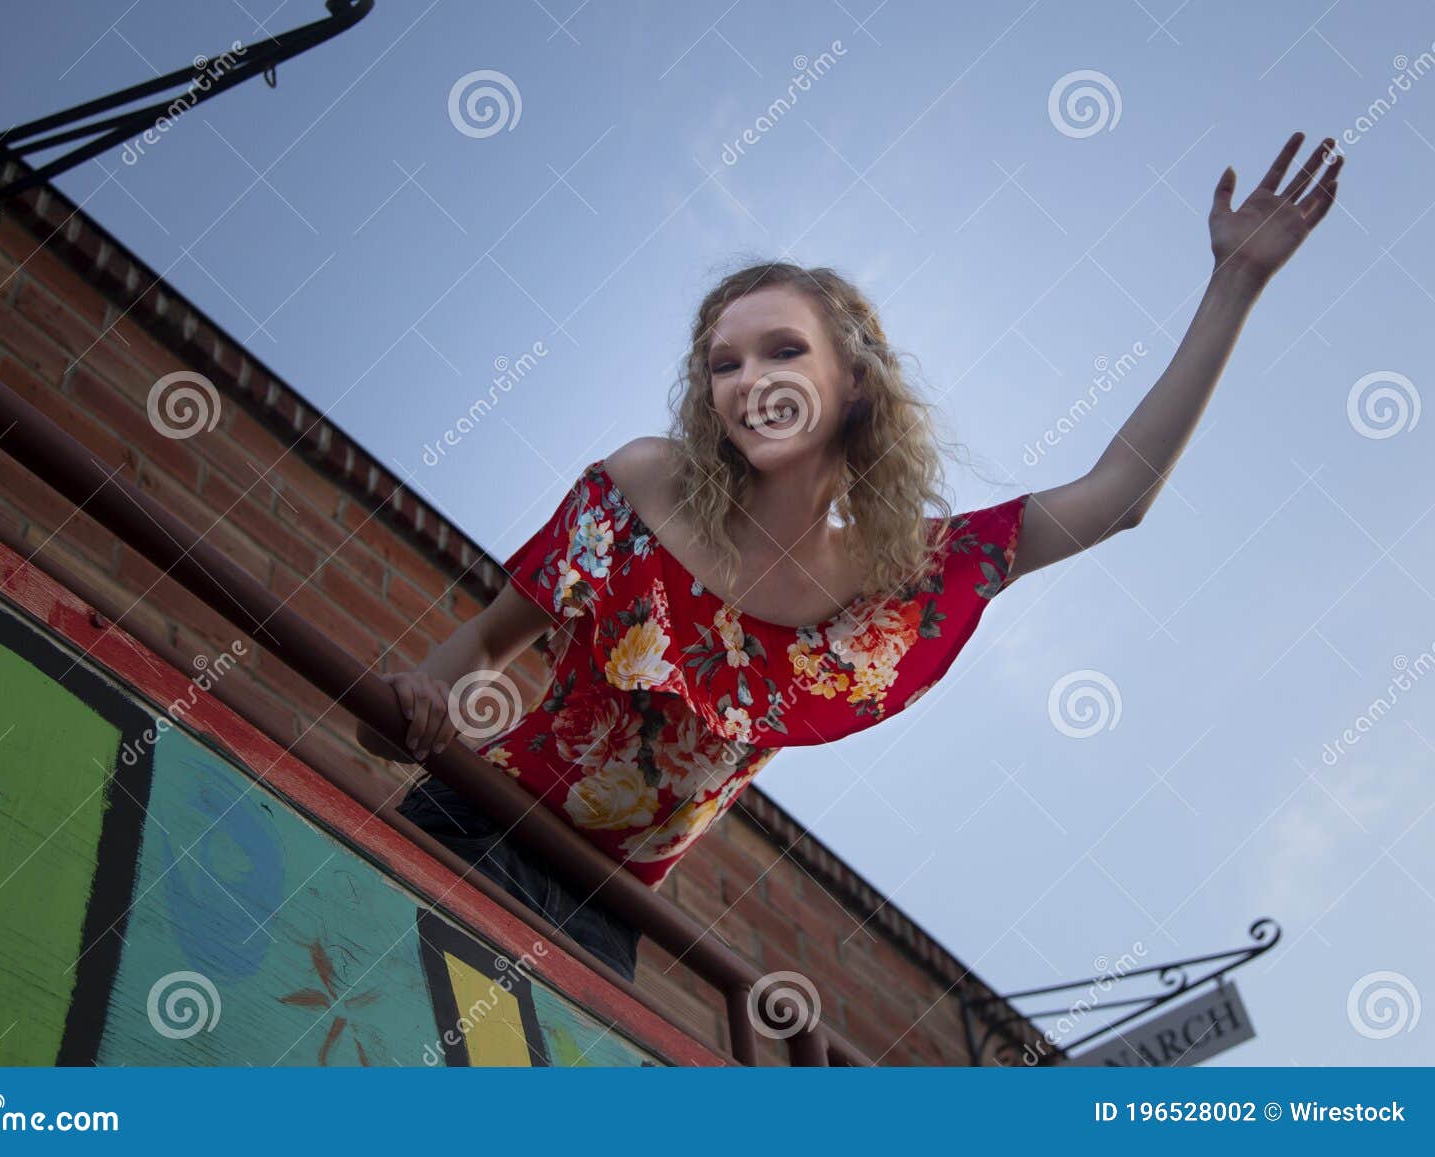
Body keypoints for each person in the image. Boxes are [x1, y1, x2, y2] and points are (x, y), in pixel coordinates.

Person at [362, 132, 1342, 983]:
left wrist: (1234, 283)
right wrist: (413, 698)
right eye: (724, 362)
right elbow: (493, 636)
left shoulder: (893, 577)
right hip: (472, 817)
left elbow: (1114, 498)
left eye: (782, 350)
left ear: (856, 385)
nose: (750, 381)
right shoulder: (644, 482)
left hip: (600, 921)